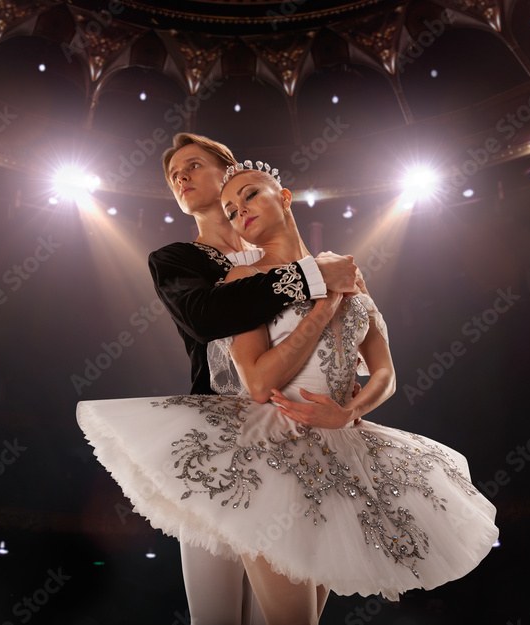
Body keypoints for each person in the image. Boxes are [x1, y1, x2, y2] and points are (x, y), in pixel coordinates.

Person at [77, 156, 499, 624]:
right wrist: (323, 302)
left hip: (340, 447)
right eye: (232, 209)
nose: (239, 212)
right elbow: (256, 381)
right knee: (234, 617)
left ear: (284, 196)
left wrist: (349, 411)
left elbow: (384, 372)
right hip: (265, 448)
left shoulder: (346, 272)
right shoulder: (242, 280)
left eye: (249, 195)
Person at [146, 133, 360, 624]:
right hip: (218, 438)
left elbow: (347, 357)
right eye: (172, 175)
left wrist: (350, 409)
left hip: (300, 439)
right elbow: (205, 315)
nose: (180, 177)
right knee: (216, 613)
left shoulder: (298, 255)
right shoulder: (176, 260)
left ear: (231, 171)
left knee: (285, 613)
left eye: (193, 165)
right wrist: (310, 279)